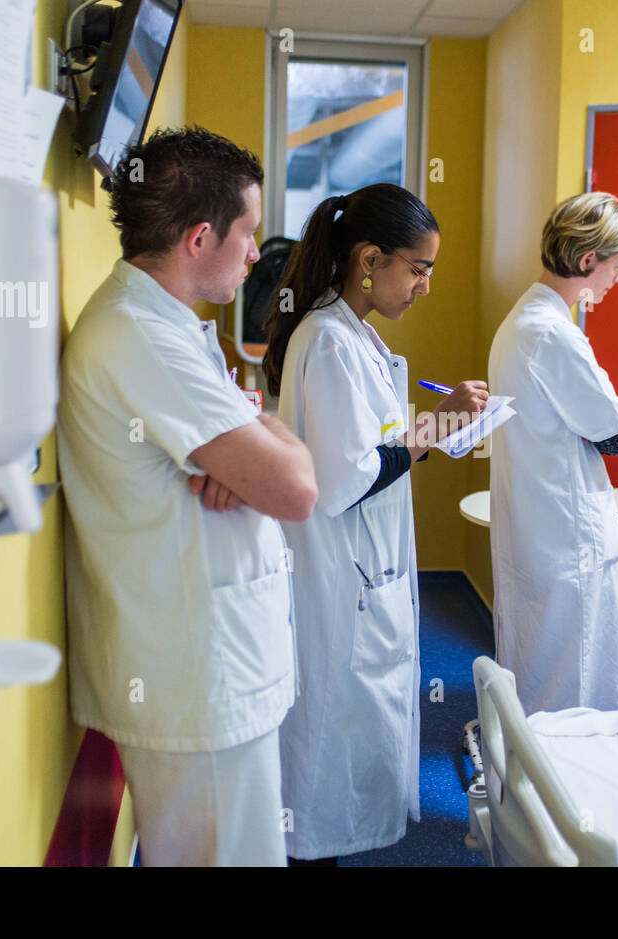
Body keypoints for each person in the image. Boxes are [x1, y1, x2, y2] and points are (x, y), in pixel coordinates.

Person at [57, 127, 318, 867]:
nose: (257, 251)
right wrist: (262, 450)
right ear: (201, 237)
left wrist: (257, 441)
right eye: (249, 233)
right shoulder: (142, 337)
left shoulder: (165, 322)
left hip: (207, 664)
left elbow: (273, 456)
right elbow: (297, 488)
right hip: (195, 678)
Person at [262, 183, 487, 864]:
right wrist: (436, 429)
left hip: (366, 571)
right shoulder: (328, 339)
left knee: (351, 737)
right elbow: (348, 476)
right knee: (331, 747)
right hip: (344, 579)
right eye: (417, 268)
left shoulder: (350, 332)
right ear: (369, 258)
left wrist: (431, 424)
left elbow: (371, 441)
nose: (423, 286)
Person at [486, 192, 618, 716]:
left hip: (539, 532)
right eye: (616, 267)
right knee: (575, 688)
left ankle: (531, 784)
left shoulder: (521, 322)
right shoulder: (553, 334)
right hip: (567, 541)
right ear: (587, 260)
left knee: (539, 673)